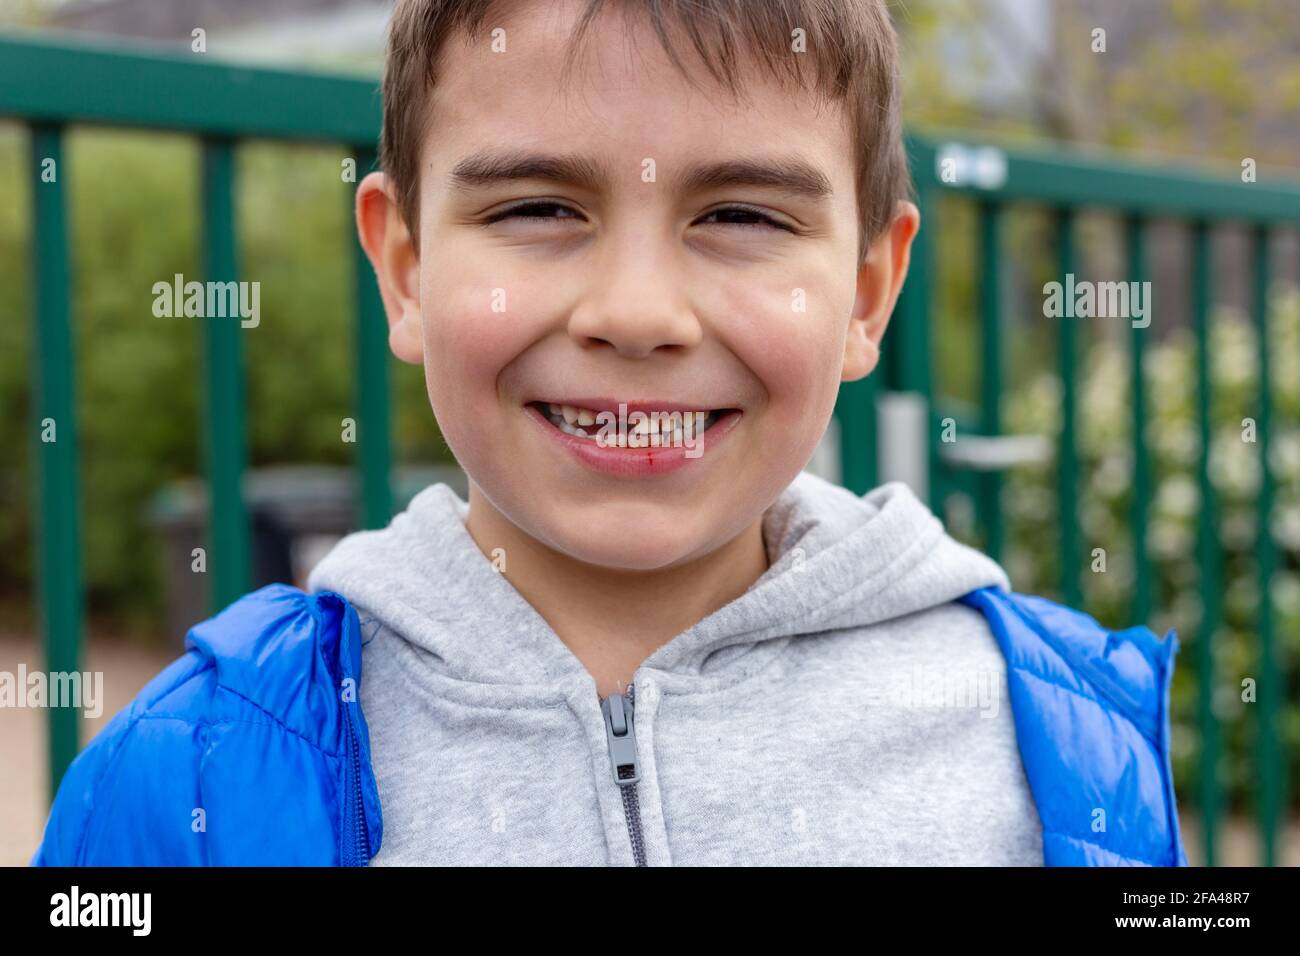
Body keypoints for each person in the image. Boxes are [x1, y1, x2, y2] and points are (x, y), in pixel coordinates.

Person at [32, 0, 1186, 866]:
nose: (636, 313)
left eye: (739, 214)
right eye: (537, 208)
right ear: (405, 266)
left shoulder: (1067, 744)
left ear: (868, 293)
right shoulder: (185, 773)